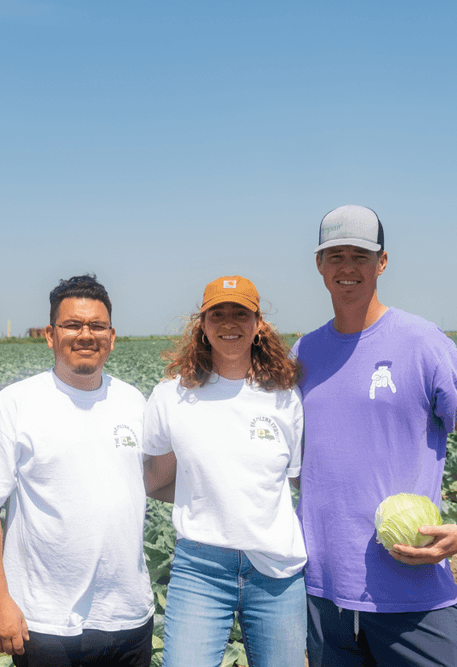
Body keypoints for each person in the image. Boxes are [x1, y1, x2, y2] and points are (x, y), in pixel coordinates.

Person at [294, 205, 457, 667]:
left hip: (411, 587)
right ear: (319, 264)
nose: (347, 267)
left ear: (381, 263)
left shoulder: (422, 342)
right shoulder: (303, 353)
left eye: (360, 256)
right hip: (323, 593)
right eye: (335, 255)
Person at [0, 275, 166, 667]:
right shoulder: (15, 405)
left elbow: (148, 481)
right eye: (72, 325)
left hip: (128, 615)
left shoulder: (134, 401)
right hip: (44, 622)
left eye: (97, 325)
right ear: (50, 335)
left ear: (112, 335)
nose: (86, 334)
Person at [142, 275, 306, 667]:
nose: (229, 324)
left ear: (258, 324)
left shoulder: (285, 396)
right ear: (202, 324)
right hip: (200, 569)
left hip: (276, 570)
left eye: (240, 314)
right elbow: (154, 479)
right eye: (218, 314)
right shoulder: (172, 395)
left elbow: (297, 481)